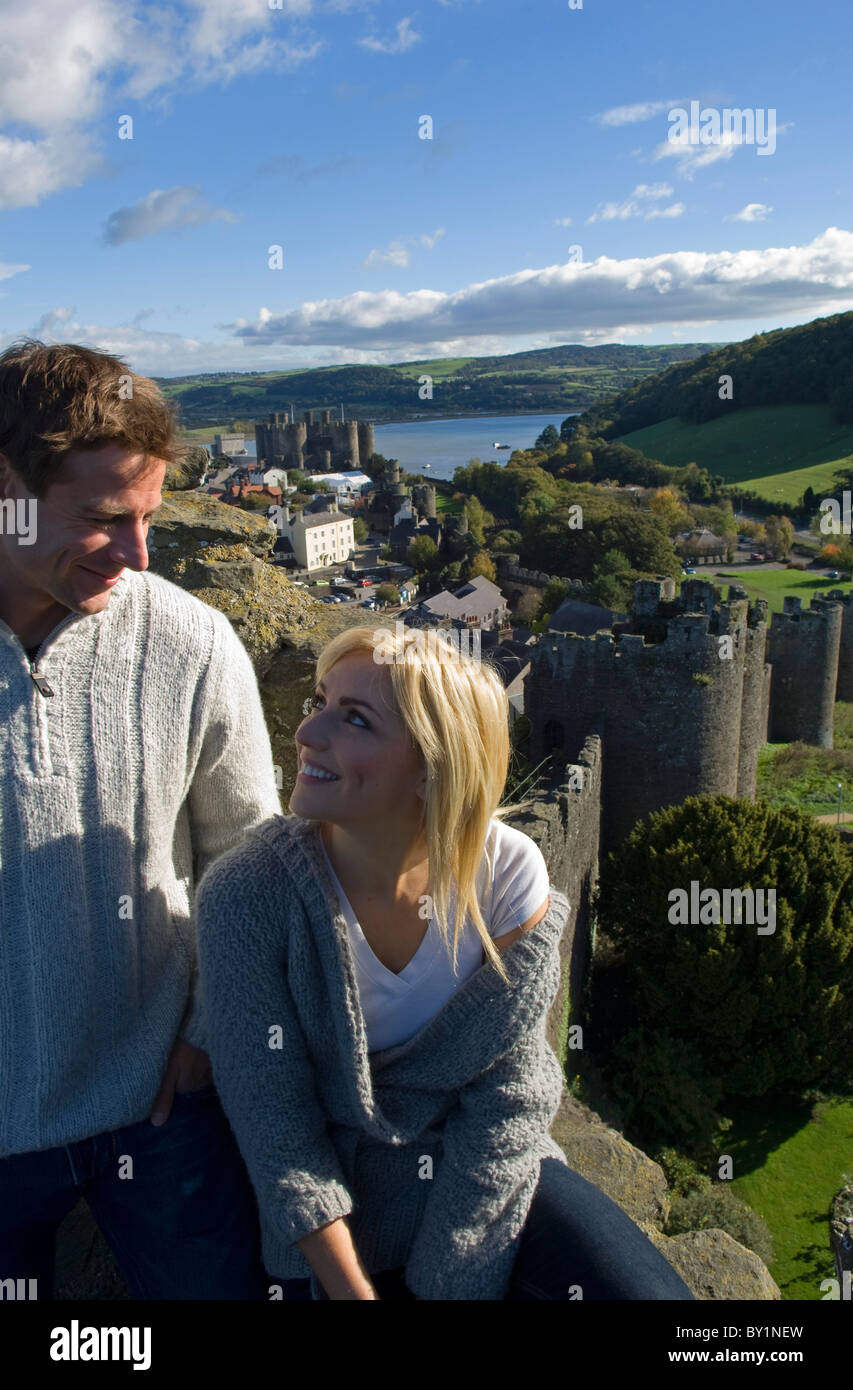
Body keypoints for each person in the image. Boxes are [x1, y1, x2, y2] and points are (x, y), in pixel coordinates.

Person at [196, 623, 696, 1300]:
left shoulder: (505, 873)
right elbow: (278, 1128)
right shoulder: (248, 894)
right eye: (319, 702)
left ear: (433, 769)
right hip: (336, 1216)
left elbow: (509, 1093)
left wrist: (451, 1281)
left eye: (354, 720)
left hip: (483, 1179)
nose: (306, 734)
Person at [0, 340, 282, 1299]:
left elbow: (250, 860)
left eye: (151, 516)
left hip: (159, 1114)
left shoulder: (190, 639)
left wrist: (205, 1034)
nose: (140, 555)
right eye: (105, 519)